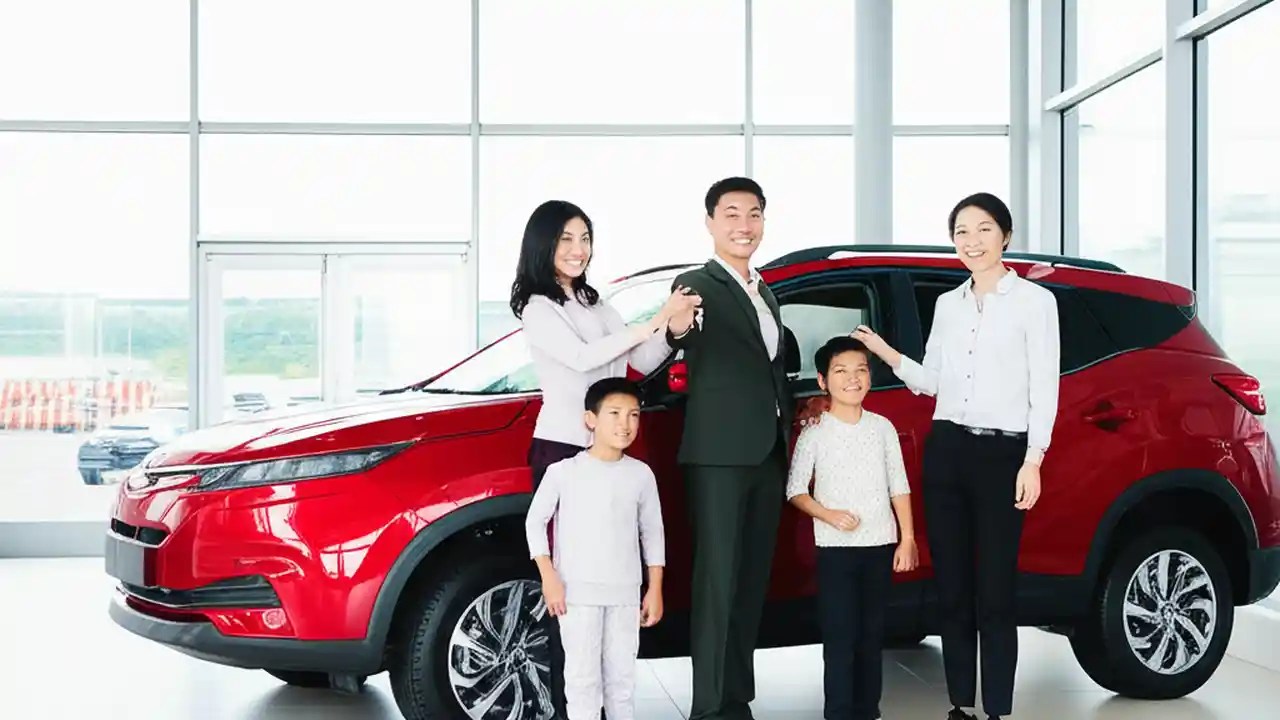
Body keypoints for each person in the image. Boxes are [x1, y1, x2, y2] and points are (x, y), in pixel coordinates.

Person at [852, 192, 1060, 720]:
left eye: (984, 229)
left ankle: (999, 709)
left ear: (1005, 236)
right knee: (951, 586)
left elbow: (1045, 387)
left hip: (1003, 454)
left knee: (995, 588)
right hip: (948, 449)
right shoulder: (949, 304)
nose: (972, 241)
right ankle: (961, 704)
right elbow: (933, 382)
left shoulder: (1035, 303)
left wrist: (1033, 458)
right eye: (962, 232)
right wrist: (886, 353)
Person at [511, 199, 698, 717]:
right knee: (566, 598)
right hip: (564, 448)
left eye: (585, 238)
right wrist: (652, 319)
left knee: (608, 581)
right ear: (543, 244)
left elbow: (636, 361)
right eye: (567, 239)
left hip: (609, 448)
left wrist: (673, 329)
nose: (578, 249)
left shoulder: (596, 302)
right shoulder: (539, 307)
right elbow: (581, 359)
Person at [665, 177, 792, 720]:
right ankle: (709, 705)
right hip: (719, 455)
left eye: (755, 214)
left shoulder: (766, 292)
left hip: (767, 453)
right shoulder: (697, 284)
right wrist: (674, 326)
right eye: (733, 214)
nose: (745, 225)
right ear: (711, 222)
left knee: (750, 580)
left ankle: (737, 697)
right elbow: (683, 333)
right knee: (717, 581)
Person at [785, 336, 918, 720]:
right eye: (841, 371)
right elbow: (795, 490)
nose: (853, 379)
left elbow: (899, 485)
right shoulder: (814, 431)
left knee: (873, 635)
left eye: (861, 370)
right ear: (824, 382)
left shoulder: (882, 428)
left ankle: (867, 710)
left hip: (880, 544)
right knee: (840, 637)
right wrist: (829, 515)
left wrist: (906, 539)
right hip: (835, 549)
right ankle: (840, 712)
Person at [525, 377, 667, 720]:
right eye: (615, 413)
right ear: (591, 419)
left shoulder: (641, 475)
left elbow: (652, 532)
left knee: (622, 682)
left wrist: (655, 589)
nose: (625, 423)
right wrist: (550, 578)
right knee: (582, 681)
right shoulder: (563, 473)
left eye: (634, 415)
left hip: (625, 594)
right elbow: (534, 523)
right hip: (577, 594)